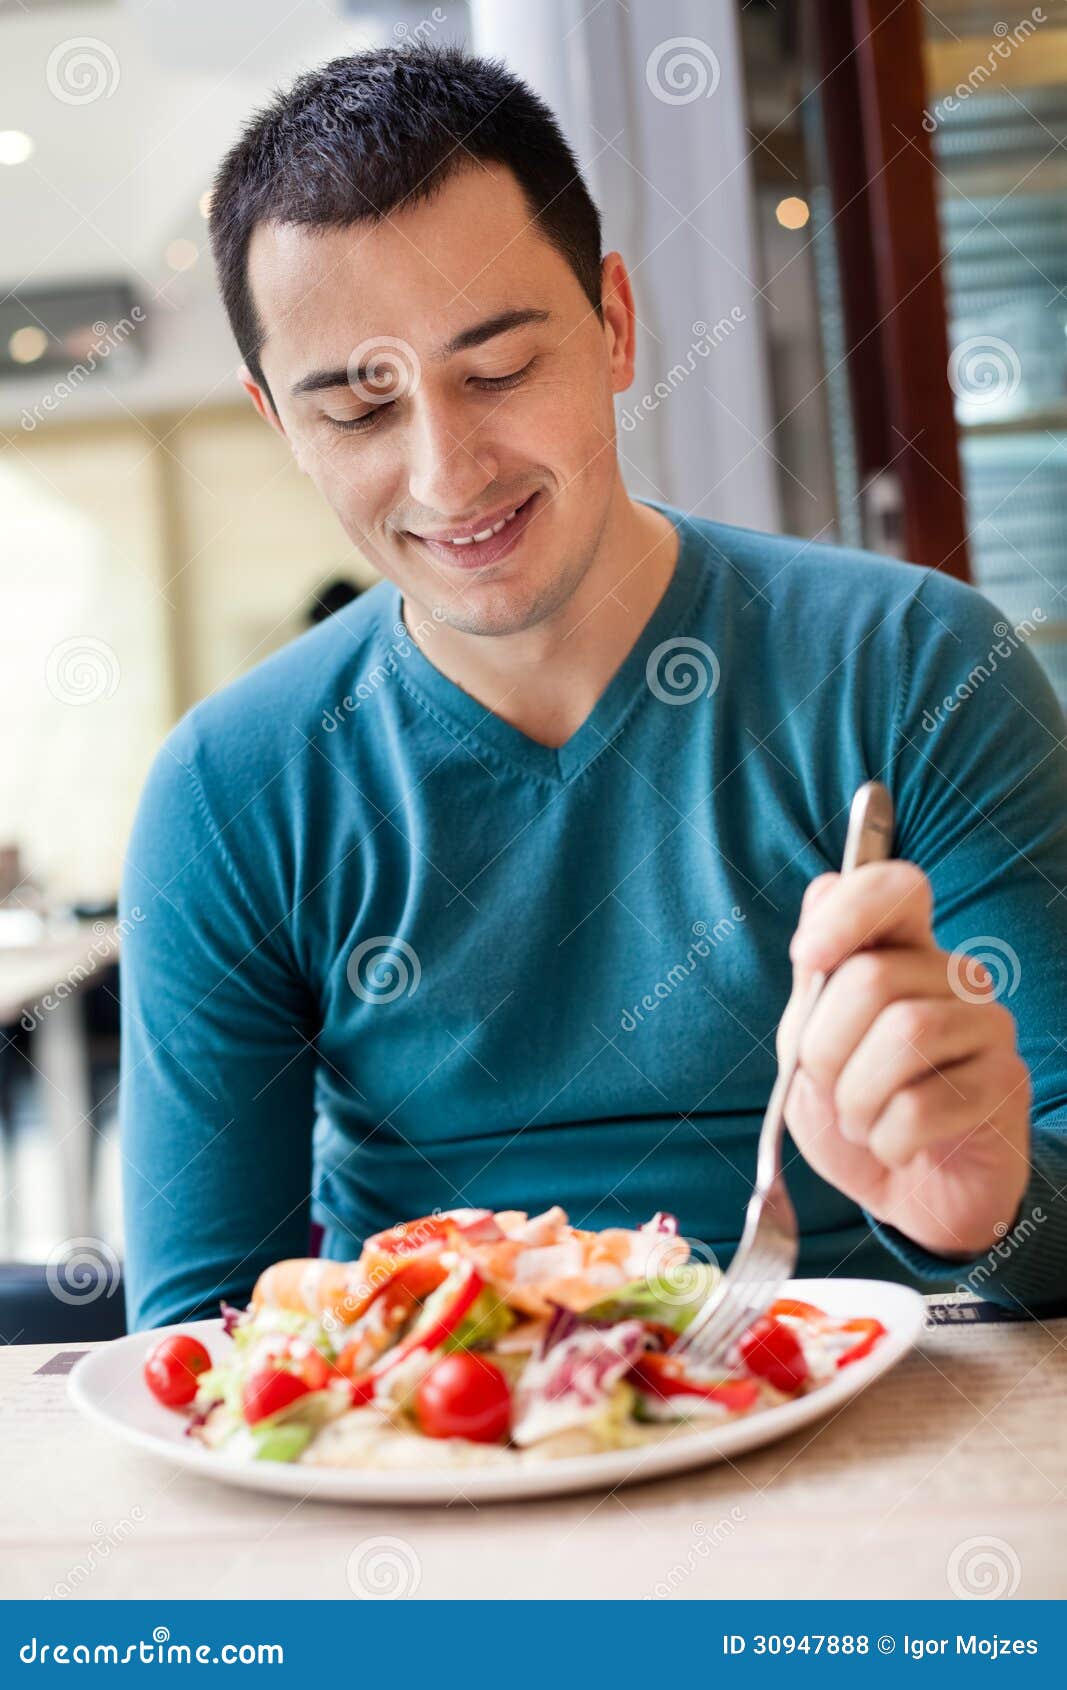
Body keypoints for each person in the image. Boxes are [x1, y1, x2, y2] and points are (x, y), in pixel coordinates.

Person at [120, 44, 1066, 1332]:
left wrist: (989, 1212)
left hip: (884, 1403)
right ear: (279, 421)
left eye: (499, 371)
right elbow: (196, 1339)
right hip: (436, 1424)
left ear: (615, 326)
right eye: (357, 411)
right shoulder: (230, 789)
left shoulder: (911, 666)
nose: (449, 476)